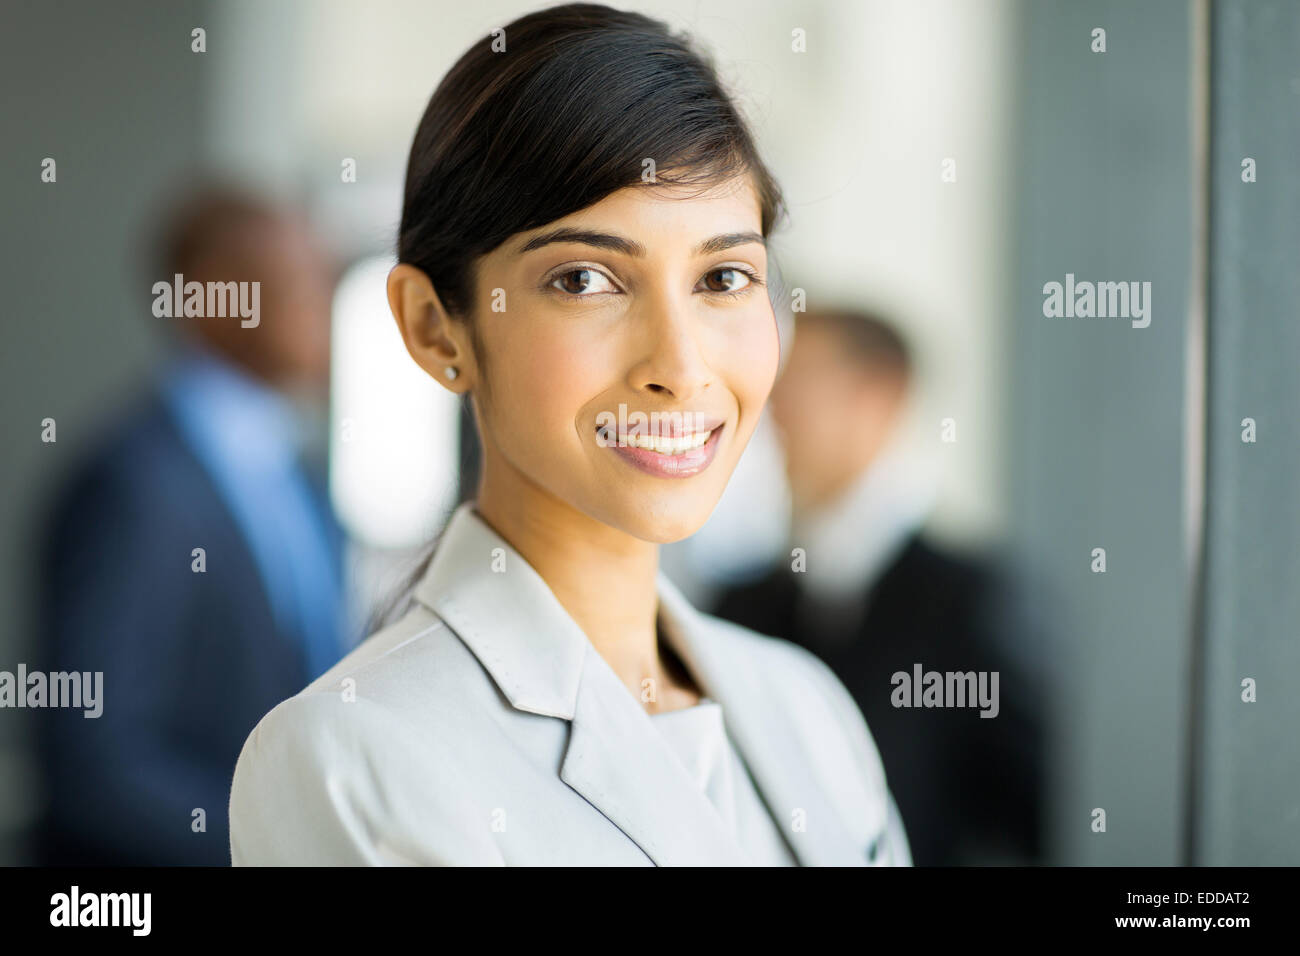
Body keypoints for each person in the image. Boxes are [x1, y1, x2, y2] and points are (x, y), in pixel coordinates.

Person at [229, 3, 910, 867]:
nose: (680, 364)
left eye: (724, 276)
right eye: (585, 278)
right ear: (437, 328)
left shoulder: (809, 710)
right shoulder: (347, 757)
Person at [33, 185, 350, 865]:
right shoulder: (132, 485)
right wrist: (274, 846)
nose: (322, 306)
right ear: (206, 297)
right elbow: (96, 761)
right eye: (299, 283)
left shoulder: (299, 473)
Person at [713, 307, 1047, 864]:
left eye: (797, 384)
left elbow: (1017, 822)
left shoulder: (973, 601)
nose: (775, 412)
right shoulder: (741, 602)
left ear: (881, 397)